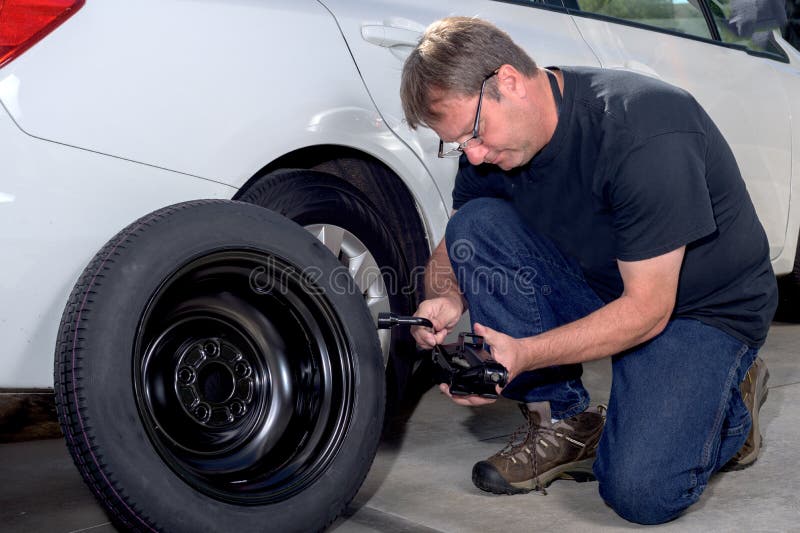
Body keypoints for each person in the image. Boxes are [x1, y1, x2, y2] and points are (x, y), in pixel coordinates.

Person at [399, 17, 776, 525]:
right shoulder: (490, 152)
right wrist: (446, 298)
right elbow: (452, 246)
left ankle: (730, 398)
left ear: (508, 81)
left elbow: (646, 310)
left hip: (696, 309)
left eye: (473, 133)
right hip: (601, 282)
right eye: (459, 145)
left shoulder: (644, 128)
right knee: (476, 224)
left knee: (641, 493)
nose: (474, 154)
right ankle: (566, 423)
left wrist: (524, 354)